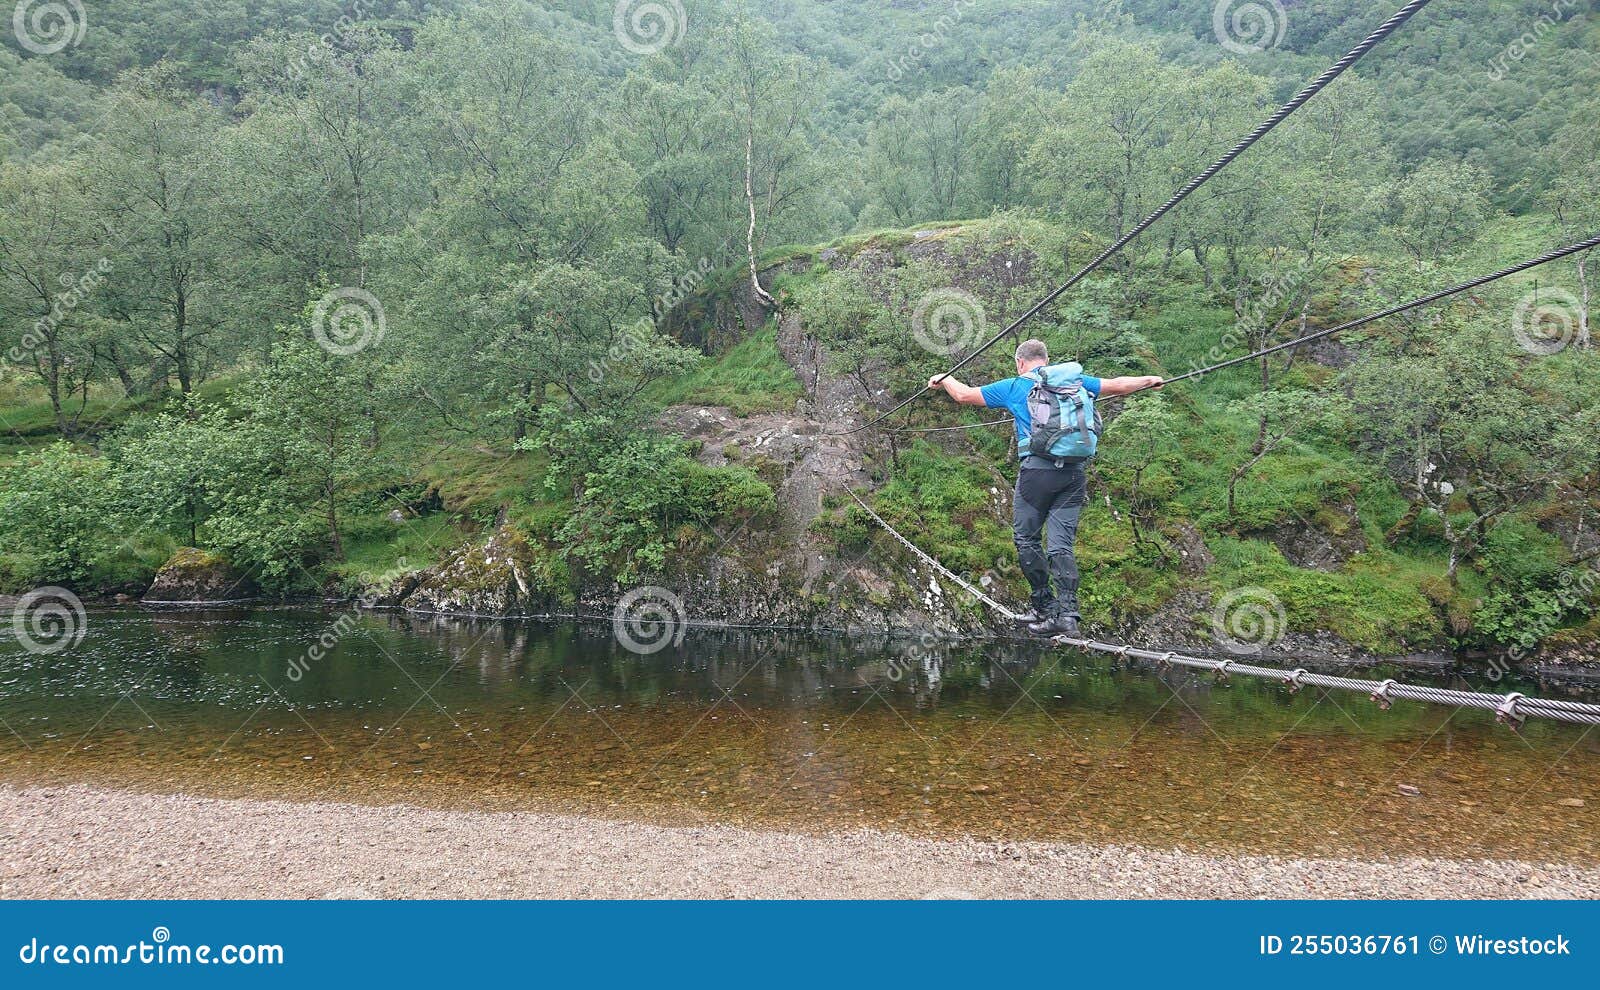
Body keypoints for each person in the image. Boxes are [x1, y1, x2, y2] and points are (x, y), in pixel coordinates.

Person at [928, 339, 1162, 637]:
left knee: (1026, 538)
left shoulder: (1015, 386)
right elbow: (1117, 384)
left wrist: (945, 379)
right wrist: (1149, 380)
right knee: (1061, 544)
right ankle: (1068, 616)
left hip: (1037, 473)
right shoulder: (1075, 383)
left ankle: (1044, 606)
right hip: (1074, 473)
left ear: (1020, 363)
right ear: (1047, 360)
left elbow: (963, 396)